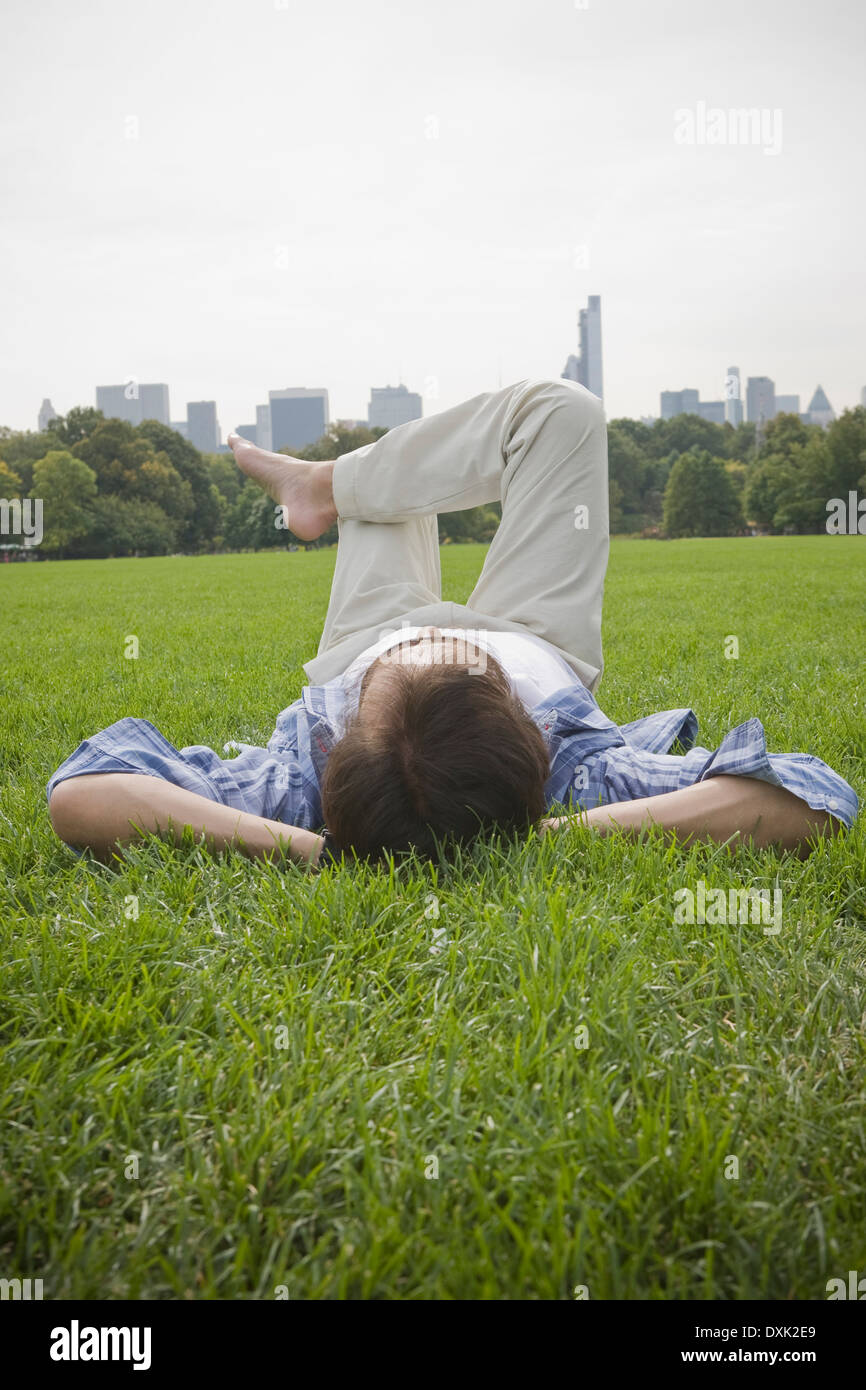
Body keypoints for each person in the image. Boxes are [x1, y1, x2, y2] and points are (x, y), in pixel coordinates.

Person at [47, 378, 858, 867]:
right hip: (538, 644)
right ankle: (333, 481)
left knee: (388, 500)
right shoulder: (578, 775)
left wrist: (315, 848)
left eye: (402, 681)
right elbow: (814, 798)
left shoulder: (301, 780)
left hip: (364, 636)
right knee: (564, 411)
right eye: (452, 665)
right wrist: (559, 838)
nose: (440, 638)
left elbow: (85, 795)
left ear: (343, 747)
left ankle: (328, 484)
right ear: (527, 737)